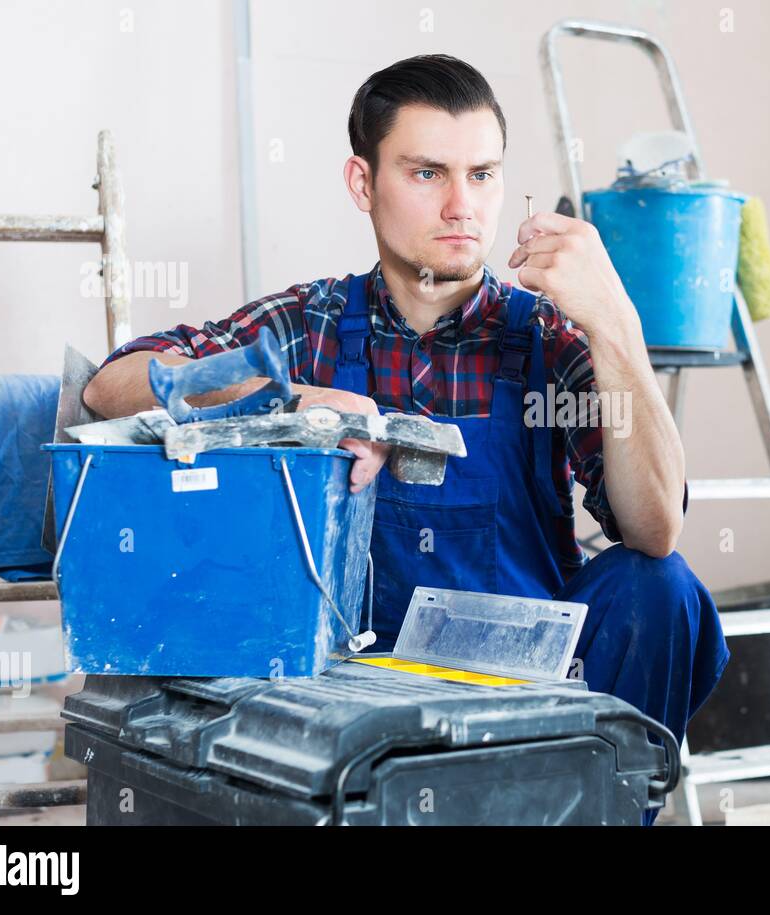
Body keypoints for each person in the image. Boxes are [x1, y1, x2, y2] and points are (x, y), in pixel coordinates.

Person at [84, 54, 729, 825]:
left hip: (531, 691)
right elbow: (112, 383)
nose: (464, 206)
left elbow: (656, 524)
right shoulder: (311, 326)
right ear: (364, 183)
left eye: (483, 175)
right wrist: (285, 395)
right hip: (357, 693)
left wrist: (618, 322)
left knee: (661, 586)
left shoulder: (550, 337)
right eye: (428, 173)